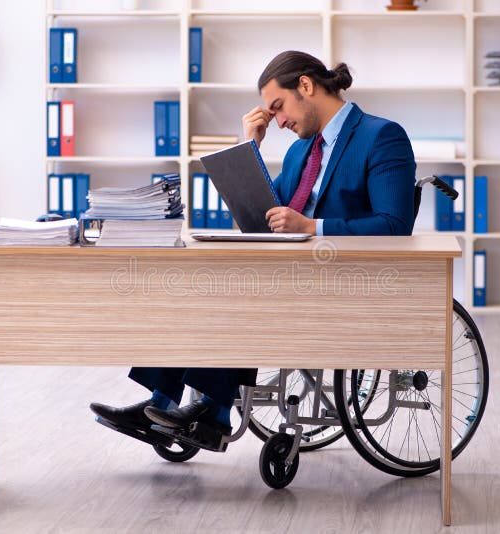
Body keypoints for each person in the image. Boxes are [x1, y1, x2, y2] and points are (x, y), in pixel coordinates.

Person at [89, 50, 416, 448]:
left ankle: (214, 412)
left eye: (278, 107)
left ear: (307, 86)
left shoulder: (381, 135)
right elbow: (262, 220)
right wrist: (249, 150)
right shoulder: (299, 152)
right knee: (196, 280)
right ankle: (161, 404)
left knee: (237, 289)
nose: (277, 121)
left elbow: (395, 224)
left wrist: (314, 226)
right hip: (285, 276)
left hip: (343, 283)